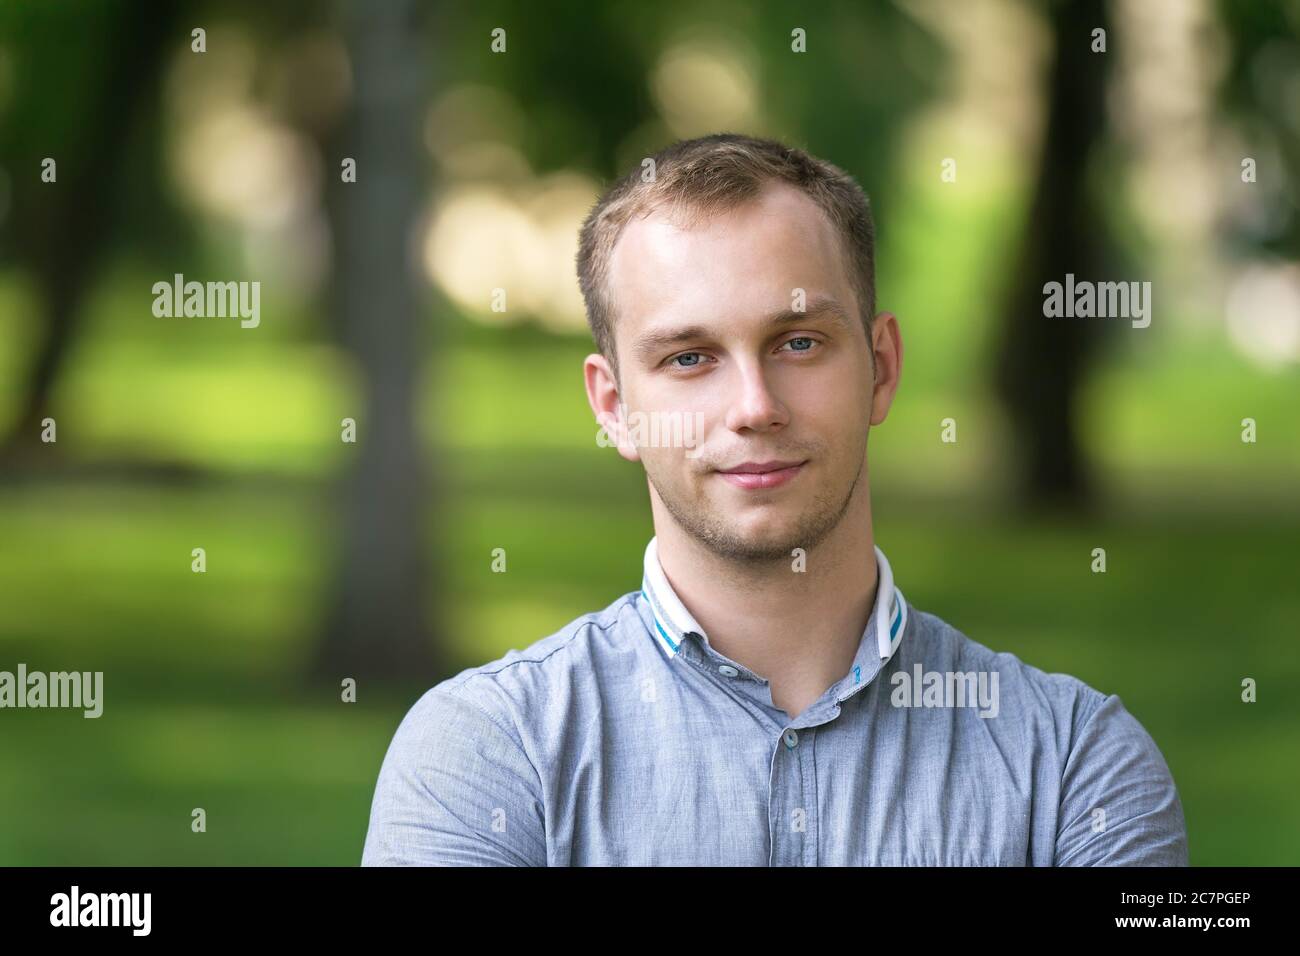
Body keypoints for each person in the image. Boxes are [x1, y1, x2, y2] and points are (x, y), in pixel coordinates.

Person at [361, 133, 1188, 866]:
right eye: (688, 358)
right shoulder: (489, 754)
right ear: (613, 407)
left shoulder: (1076, 766)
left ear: (882, 368)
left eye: (798, 342)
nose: (755, 405)